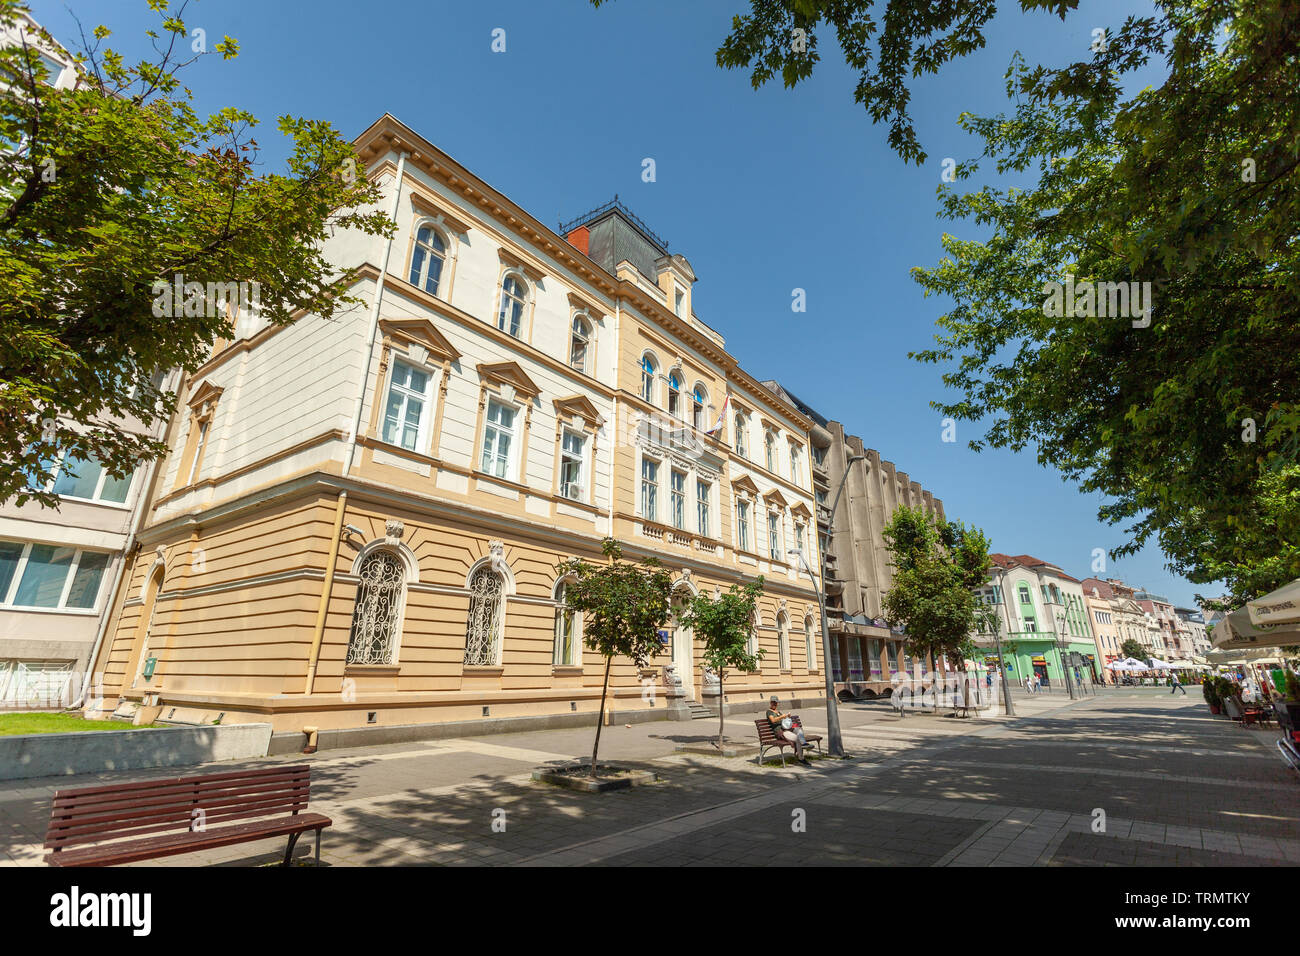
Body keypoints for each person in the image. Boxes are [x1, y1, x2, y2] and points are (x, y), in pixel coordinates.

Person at [766, 695, 810, 766]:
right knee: (797, 738)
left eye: (776, 702)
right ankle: (801, 759)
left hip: (786, 728)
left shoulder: (778, 711)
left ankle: (804, 743)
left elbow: (783, 720)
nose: (774, 704)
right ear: (770, 703)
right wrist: (781, 717)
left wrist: (787, 717)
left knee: (798, 729)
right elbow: (773, 720)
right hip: (781, 732)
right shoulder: (769, 712)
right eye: (773, 702)